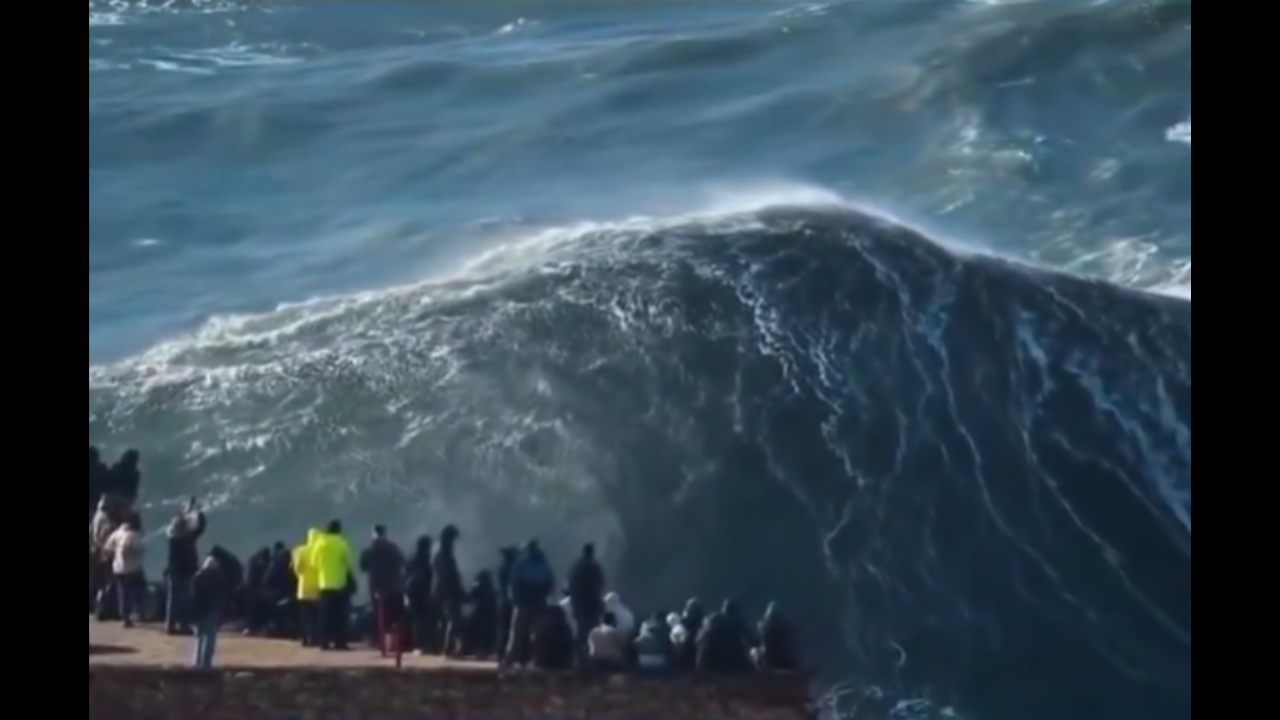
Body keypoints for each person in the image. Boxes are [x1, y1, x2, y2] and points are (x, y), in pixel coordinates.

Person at [505, 540, 555, 667]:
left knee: (517, 633)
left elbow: (514, 583)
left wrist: (515, 599)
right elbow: (550, 582)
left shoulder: (521, 563)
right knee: (538, 634)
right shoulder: (543, 563)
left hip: (523, 603)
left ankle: (511, 659)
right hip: (540, 603)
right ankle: (537, 659)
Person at [309, 520, 355, 650]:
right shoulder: (341, 543)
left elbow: (313, 562)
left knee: (324, 616)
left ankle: (324, 642)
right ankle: (340, 643)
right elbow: (348, 563)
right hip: (339, 584)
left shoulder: (319, 543)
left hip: (324, 584)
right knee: (339, 616)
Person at [165, 498, 206, 635]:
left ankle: (170, 625)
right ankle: (183, 625)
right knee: (184, 598)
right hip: (184, 570)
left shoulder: (173, 536)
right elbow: (199, 528)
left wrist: (189, 508)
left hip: (173, 569)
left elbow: (182, 521)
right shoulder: (186, 538)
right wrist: (197, 511)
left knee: (173, 598)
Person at [361, 525, 406, 651]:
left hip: (377, 587)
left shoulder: (370, 550)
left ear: (374, 534)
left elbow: (363, 567)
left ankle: (379, 641)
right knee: (395, 616)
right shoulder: (393, 548)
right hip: (395, 586)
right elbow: (402, 561)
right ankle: (395, 642)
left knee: (378, 614)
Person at [103, 514, 145, 628]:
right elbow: (140, 551)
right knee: (138, 591)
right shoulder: (135, 535)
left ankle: (125, 617)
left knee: (123, 593)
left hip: (118, 568)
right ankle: (138, 612)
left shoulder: (117, 533)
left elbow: (107, 548)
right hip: (134, 569)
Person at [568, 544, 606, 667]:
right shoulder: (595, 566)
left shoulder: (577, 567)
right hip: (591, 605)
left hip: (579, 604)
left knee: (581, 633)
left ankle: (579, 660)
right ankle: (590, 659)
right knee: (592, 632)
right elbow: (600, 585)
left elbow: (570, 585)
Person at [189, 556, 227, 668]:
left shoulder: (197, 577)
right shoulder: (218, 578)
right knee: (209, 637)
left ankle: (197, 661)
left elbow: (193, 597)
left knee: (199, 637)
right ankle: (206, 662)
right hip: (210, 611)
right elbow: (221, 596)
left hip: (198, 611)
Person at [292, 530, 321, 647]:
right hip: (317, 586)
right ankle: (315, 638)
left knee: (304, 616)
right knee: (316, 616)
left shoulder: (300, 551)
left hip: (303, 586)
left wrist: (301, 576)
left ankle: (304, 639)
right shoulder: (319, 551)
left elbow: (297, 568)